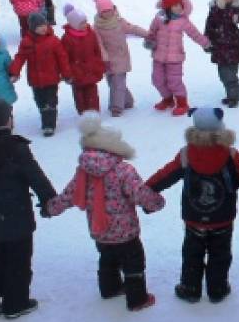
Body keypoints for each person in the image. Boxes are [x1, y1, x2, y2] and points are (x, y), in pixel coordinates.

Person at [146, 104, 239, 303]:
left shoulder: (186, 154)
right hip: (223, 217)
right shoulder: (230, 155)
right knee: (220, 254)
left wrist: (146, 189)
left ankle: (190, 288)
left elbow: (166, 175)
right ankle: (218, 288)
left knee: (192, 254)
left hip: (194, 217)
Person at [45, 113, 165, 311]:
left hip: (99, 231)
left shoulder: (83, 171)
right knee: (133, 263)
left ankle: (110, 289)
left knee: (107, 259)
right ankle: (137, 299)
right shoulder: (123, 170)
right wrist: (156, 203)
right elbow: (139, 193)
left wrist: (52, 208)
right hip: (126, 232)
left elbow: (69, 194)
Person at [0, 96, 56, 319]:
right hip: (17, 215)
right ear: (7, 120)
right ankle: (16, 303)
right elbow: (36, 177)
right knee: (19, 259)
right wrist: (49, 200)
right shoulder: (16, 149)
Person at [146, 0, 210, 116]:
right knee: (157, 80)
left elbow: (194, 33)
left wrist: (206, 44)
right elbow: (152, 31)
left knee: (174, 81)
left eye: (179, 4)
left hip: (175, 58)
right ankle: (168, 99)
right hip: (158, 55)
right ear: (167, 7)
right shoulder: (159, 18)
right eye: (174, 5)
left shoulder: (183, 20)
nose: (178, 7)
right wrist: (149, 40)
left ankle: (182, 103)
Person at [9, 13, 71, 136]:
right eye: (39, 26)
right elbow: (20, 57)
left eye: (44, 25)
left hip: (51, 77)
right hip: (35, 79)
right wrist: (14, 72)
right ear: (33, 28)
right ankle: (46, 115)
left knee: (51, 101)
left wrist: (67, 74)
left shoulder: (53, 41)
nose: (43, 28)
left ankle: (49, 125)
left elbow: (62, 58)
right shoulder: (27, 42)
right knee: (40, 101)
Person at [92, 0, 148, 117]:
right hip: (107, 60)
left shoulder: (119, 22)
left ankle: (116, 107)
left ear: (113, 9)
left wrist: (147, 34)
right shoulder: (97, 27)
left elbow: (133, 28)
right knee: (113, 82)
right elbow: (98, 44)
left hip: (121, 57)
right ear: (100, 13)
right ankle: (127, 101)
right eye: (104, 11)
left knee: (117, 82)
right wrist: (104, 57)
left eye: (110, 10)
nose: (108, 13)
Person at [60, 4, 106, 115]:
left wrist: (99, 65)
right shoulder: (67, 38)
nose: (85, 25)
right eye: (82, 23)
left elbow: (97, 51)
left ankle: (94, 114)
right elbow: (64, 58)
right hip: (76, 73)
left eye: (85, 21)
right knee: (79, 96)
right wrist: (67, 73)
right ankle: (83, 114)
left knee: (93, 94)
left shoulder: (91, 34)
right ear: (74, 24)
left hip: (91, 70)